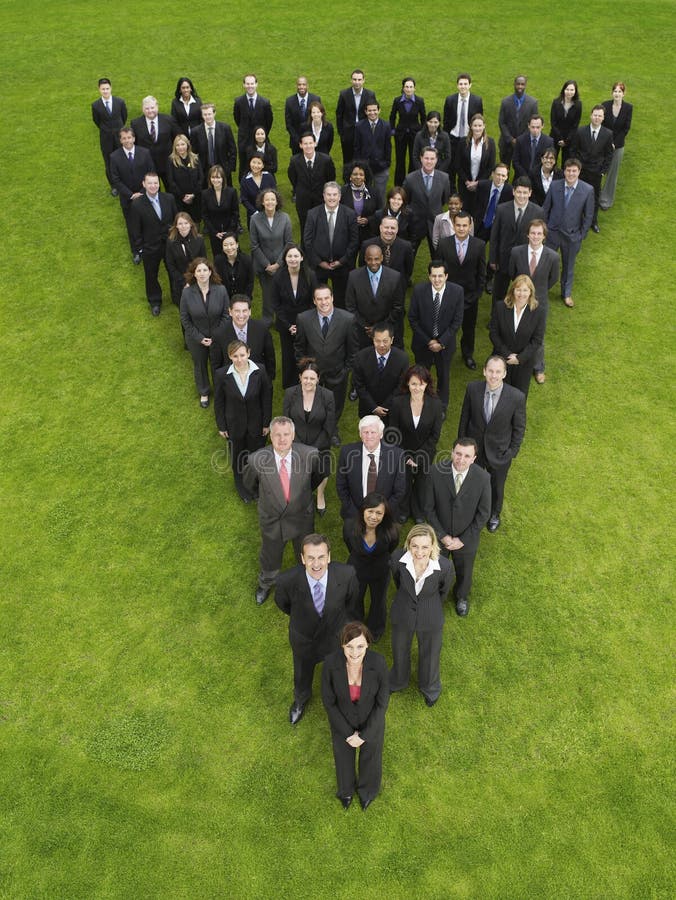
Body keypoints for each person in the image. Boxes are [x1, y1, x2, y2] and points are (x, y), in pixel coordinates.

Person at [276, 533, 359, 724]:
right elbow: (283, 604)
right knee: (302, 673)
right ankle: (300, 700)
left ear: (329, 557)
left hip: (335, 636)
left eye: (321, 557)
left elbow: (351, 604)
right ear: (302, 558)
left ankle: (341, 698)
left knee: (339, 670)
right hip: (304, 639)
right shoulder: (286, 581)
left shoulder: (347, 574)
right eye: (311, 558)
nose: (316, 564)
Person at [243, 417, 321, 604]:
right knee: (270, 555)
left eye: (286, 434)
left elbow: (315, 479)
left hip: (302, 517)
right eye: (277, 434)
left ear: (293, 435)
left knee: (306, 552)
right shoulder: (256, 460)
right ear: (270, 436)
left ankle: (308, 581)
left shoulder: (310, 455)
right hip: (272, 519)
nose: (282, 439)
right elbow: (249, 485)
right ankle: (266, 583)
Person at [321, 621, 390, 810]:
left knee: (371, 757)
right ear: (342, 645)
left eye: (360, 646)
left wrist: (365, 735)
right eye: (349, 646)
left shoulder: (379, 664)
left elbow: (382, 703)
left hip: (371, 721)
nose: (354, 652)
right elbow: (329, 702)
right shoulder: (330, 664)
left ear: (368, 644)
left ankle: (368, 791)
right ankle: (346, 791)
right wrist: (347, 733)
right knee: (343, 757)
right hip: (342, 721)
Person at [458, 355, 526, 534]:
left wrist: (512, 451)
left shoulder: (516, 397)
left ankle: (494, 514)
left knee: (497, 485)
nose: (493, 375)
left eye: (498, 372)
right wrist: (462, 445)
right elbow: (465, 417)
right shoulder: (473, 389)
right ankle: (472, 511)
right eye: (490, 371)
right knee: (473, 482)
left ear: (504, 373)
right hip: (475, 449)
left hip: (500, 451)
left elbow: (519, 428)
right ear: (484, 371)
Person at [425, 438, 491, 616]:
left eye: (467, 456)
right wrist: (443, 536)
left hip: (466, 538)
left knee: (465, 569)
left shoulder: (483, 478)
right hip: (441, 535)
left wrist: (463, 539)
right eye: (458, 453)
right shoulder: (435, 472)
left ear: (474, 458)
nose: (461, 459)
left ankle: (461, 596)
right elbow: (428, 509)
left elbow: (483, 513)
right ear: (452, 452)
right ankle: (435, 595)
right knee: (437, 568)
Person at [389, 524, 452, 705]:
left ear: (432, 545)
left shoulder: (444, 566)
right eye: (415, 546)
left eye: (425, 546)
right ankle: (398, 680)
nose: (419, 552)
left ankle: (430, 688)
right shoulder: (397, 559)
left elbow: (443, 591)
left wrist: (429, 605)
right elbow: (397, 581)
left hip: (430, 613)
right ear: (408, 544)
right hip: (403, 611)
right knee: (400, 649)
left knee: (431, 653)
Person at [294, 285, 355, 439]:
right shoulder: (303, 319)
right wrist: (305, 371)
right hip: (312, 374)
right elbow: (299, 347)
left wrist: (345, 370)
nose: (323, 302)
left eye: (326, 298)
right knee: (312, 403)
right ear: (314, 301)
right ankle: (313, 430)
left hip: (337, 373)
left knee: (335, 405)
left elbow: (353, 349)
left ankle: (331, 431)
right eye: (319, 299)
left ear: (332, 298)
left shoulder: (347, 319)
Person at [215, 340, 272, 503]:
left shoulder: (260, 370)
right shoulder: (221, 375)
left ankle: (258, 487)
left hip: (257, 425)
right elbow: (219, 402)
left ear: (248, 353)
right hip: (234, 426)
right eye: (235, 356)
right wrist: (222, 426)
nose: (239, 359)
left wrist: (266, 423)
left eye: (242, 355)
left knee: (258, 458)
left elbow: (266, 398)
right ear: (229, 356)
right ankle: (243, 490)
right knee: (238, 459)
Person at [388, 365, 444, 524]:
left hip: (425, 452)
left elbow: (435, 435)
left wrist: (419, 456)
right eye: (413, 384)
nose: (417, 388)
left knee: (422, 482)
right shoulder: (398, 403)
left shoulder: (435, 405)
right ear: (407, 384)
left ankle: (418, 511)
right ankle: (404, 510)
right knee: (403, 482)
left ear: (426, 384)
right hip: (402, 451)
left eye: (421, 384)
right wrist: (405, 455)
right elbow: (393, 432)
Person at [408, 260, 464, 413]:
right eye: (434, 276)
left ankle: (442, 407)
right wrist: (428, 341)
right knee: (421, 376)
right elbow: (412, 318)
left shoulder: (457, 292)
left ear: (446, 276)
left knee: (443, 376)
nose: (437, 280)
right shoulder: (419, 291)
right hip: (422, 344)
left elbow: (457, 321)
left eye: (440, 276)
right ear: (429, 276)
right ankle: (421, 402)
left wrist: (441, 342)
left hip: (445, 346)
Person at [509, 219, 559, 383]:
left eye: (539, 233)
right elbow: (512, 274)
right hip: (519, 299)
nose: (536, 236)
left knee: (538, 336)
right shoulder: (516, 252)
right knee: (516, 330)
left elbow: (553, 279)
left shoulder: (552, 256)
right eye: (533, 233)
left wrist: (538, 293)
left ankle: (538, 368)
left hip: (540, 302)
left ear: (544, 236)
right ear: (527, 234)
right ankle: (513, 360)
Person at [342, 496, 399, 642]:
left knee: (378, 601)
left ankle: (375, 630)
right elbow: (350, 545)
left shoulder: (391, 530)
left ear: (384, 514)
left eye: (379, 513)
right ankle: (355, 628)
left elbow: (391, 547)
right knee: (354, 599)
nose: (374, 517)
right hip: (356, 569)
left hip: (380, 570)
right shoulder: (349, 526)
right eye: (370, 511)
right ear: (363, 511)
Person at [283, 358, 335, 516]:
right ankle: (299, 496)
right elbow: (286, 422)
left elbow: (329, 426)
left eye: (312, 378)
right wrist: (297, 445)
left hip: (320, 444)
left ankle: (320, 496)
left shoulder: (327, 396)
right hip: (295, 442)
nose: (308, 381)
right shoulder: (290, 393)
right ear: (300, 377)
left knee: (323, 469)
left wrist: (314, 449)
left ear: (318, 379)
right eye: (305, 377)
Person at [437, 209, 487, 370]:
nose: (461, 228)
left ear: (470, 225)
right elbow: (437, 270)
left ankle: (467, 354)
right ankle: (443, 351)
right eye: (458, 225)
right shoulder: (444, 244)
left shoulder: (479, 245)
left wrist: (477, 294)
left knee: (469, 328)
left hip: (470, 297)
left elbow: (481, 273)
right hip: (448, 296)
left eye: (465, 225)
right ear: (453, 224)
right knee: (445, 326)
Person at [542, 157, 594, 308]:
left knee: (568, 266)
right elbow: (546, 208)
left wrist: (581, 236)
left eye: (574, 171)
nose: (571, 174)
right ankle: (541, 289)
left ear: (579, 172)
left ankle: (566, 293)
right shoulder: (555, 185)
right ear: (564, 171)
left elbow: (589, 215)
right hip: (552, 232)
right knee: (546, 263)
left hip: (572, 236)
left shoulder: (587, 190)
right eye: (568, 170)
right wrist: (544, 230)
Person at [336, 415, 406, 522]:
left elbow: (399, 490)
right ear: (360, 434)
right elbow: (341, 485)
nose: (369, 436)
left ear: (381, 434)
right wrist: (354, 512)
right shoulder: (347, 453)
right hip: (354, 512)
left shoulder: (397, 455)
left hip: (385, 515)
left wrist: (381, 513)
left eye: (373, 432)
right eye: (365, 432)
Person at [180, 258, 230, 407]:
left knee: (219, 364)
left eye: (204, 270)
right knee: (200, 365)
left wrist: (216, 336)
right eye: (198, 270)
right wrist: (200, 338)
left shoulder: (221, 290)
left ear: (210, 272)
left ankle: (221, 390)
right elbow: (184, 318)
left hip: (218, 336)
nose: (202, 273)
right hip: (196, 338)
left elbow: (226, 315)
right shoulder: (187, 293)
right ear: (194, 274)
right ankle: (204, 391)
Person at [488, 176, 544, 305]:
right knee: (499, 292)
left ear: (530, 193)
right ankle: (495, 319)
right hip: (503, 258)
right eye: (519, 192)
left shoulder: (538, 211)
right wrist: (493, 259)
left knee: (523, 292)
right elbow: (495, 235)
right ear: (513, 191)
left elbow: (540, 238)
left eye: (525, 192)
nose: (521, 196)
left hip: (525, 260)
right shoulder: (502, 209)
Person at [303, 181, 359, 308]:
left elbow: (354, 241)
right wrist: (318, 261)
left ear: (339, 196)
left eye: (335, 195)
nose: (332, 198)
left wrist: (342, 261)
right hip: (319, 266)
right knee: (317, 297)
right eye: (329, 194)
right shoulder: (313, 214)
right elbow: (307, 241)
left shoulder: (349, 214)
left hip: (342, 265)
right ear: (323, 196)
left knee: (341, 298)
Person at [489, 274, 545, 399]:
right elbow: (493, 333)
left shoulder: (539, 312)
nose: (521, 294)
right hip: (502, 360)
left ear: (530, 292)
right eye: (518, 289)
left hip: (524, 363)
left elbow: (537, 340)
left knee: (519, 398)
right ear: (512, 290)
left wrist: (519, 358)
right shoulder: (500, 307)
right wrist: (507, 354)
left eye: (525, 290)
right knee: (499, 396)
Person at [129, 172, 178, 315]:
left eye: (155, 183)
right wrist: (141, 249)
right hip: (150, 247)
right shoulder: (137, 205)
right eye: (149, 183)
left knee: (173, 270)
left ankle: (176, 296)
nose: (153, 186)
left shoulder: (168, 198)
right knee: (151, 275)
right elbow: (135, 229)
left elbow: (176, 220)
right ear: (143, 184)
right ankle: (155, 301)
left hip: (169, 244)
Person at [272, 243, 318, 388]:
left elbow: (314, 301)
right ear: (285, 259)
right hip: (285, 322)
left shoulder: (310, 275)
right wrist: (288, 326)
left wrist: (301, 324)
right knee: (287, 354)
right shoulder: (278, 277)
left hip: (306, 321)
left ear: (302, 257)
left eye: (296, 256)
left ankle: (305, 379)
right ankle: (290, 384)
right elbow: (276, 304)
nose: (293, 259)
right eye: (289, 256)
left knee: (305, 352)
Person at [345, 247, 405, 351]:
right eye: (370, 259)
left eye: (376, 259)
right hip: (362, 332)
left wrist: (379, 327)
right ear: (365, 259)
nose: (373, 263)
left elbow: (398, 306)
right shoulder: (353, 277)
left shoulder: (394, 277)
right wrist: (365, 326)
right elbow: (350, 306)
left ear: (382, 258)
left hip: (386, 329)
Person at [248, 188, 293, 325]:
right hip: (264, 266)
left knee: (283, 294)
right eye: (267, 199)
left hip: (281, 264)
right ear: (262, 202)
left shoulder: (285, 218)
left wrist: (278, 264)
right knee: (267, 295)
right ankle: (267, 320)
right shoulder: (255, 219)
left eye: (272, 199)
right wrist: (267, 265)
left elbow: (289, 243)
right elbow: (254, 245)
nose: (270, 202)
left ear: (277, 201)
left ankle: (282, 320)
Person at [109, 127, 154, 258]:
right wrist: (130, 195)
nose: (127, 140)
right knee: (131, 225)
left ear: (134, 138)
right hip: (127, 198)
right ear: (120, 140)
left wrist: (142, 192)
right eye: (124, 138)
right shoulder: (114, 157)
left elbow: (151, 172)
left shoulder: (145, 153)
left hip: (146, 194)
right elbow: (115, 179)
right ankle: (136, 250)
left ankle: (150, 246)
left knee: (148, 222)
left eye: (129, 137)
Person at [350, 323, 409, 422]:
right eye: (377, 341)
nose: (381, 345)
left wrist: (385, 407)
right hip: (367, 409)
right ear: (373, 340)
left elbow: (401, 386)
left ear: (392, 340)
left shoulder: (402, 359)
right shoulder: (361, 357)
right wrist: (373, 407)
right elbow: (359, 385)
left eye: (385, 341)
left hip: (392, 410)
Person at [570, 106, 614, 232]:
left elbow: (609, 154)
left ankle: (593, 221)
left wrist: (603, 171)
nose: (597, 118)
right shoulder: (580, 131)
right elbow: (573, 150)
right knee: (578, 196)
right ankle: (577, 220)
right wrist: (575, 168)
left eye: (600, 116)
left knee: (594, 197)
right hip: (581, 171)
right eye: (595, 115)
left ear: (603, 118)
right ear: (591, 115)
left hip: (596, 172)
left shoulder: (607, 134)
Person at [403, 146, 451, 256]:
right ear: (421, 158)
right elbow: (406, 201)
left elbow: (444, 199)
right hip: (415, 224)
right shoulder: (410, 179)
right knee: (409, 256)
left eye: (432, 158)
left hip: (435, 223)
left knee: (437, 257)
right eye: (426, 158)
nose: (429, 161)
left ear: (437, 160)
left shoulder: (444, 178)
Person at [287, 132, 336, 235]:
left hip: (321, 199)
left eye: (310, 143)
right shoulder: (294, 161)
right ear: (300, 145)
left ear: (315, 143)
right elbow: (293, 178)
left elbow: (331, 178)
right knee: (305, 228)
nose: (308, 146)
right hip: (303, 200)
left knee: (322, 228)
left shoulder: (325, 160)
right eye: (305, 143)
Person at [219, 294, 276, 381]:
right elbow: (217, 365)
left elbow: (270, 357)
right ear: (230, 312)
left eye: (244, 311)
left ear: (250, 311)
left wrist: (268, 379)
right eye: (237, 311)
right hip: (231, 382)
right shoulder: (219, 334)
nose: (241, 315)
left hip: (258, 379)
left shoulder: (262, 329)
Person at [443, 73, 483, 190]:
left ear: (470, 85)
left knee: (465, 164)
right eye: (461, 84)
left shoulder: (476, 100)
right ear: (457, 86)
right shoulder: (450, 100)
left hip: (468, 138)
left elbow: (479, 120)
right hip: (453, 137)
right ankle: (451, 189)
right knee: (451, 165)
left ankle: (464, 188)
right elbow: (446, 120)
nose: (463, 86)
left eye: (465, 84)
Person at [599, 82, 633, 211]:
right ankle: (594, 196)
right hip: (603, 144)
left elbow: (626, 129)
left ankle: (605, 200)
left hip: (618, 146)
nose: (617, 94)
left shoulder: (628, 108)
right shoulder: (605, 105)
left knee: (612, 173)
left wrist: (614, 143)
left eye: (620, 91)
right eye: (615, 91)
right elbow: (600, 123)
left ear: (624, 94)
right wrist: (608, 142)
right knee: (599, 169)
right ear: (612, 92)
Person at [360, 215, 414, 294]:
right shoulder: (367, 245)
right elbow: (362, 266)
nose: (389, 231)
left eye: (392, 228)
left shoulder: (406, 246)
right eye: (386, 227)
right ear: (380, 228)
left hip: (396, 289)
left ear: (397, 229)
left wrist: (402, 285)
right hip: (373, 288)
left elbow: (408, 270)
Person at [130, 96, 176, 187]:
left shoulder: (168, 120)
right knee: (152, 189)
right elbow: (134, 144)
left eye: (152, 107)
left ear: (157, 107)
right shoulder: (135, 124)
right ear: (143, 109)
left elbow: (176, 138)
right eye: (147, 108)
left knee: (171, 188)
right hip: (147, 164)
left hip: (167, 162)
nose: (150, 111)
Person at [233, 74, 273, 176]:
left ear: (256, 84)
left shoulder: (265, 103)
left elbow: (269, 122)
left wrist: (261, 135)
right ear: (244, 85)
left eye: (252, 83)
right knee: (244, 165)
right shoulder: (238, 102)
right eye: (247, 84)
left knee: (262, 163)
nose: (250, 86)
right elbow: (237, 119)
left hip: (260, 139)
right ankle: (244, 187)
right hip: (244, 139)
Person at [91, 78, 127, 193]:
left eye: (107, 89)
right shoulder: (96, 105)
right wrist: (106, 130)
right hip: (106, 138)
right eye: (103, 89)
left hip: (120, 137)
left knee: (123, 158)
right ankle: (114, 186)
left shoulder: (119, 102)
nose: (105, 91)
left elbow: (124, 117)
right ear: (99, 90)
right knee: (109, 162)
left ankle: (126, 181)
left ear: (111, 88)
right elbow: (96, 121)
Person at [455, 114, 496, 214]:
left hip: (481, 184)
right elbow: (457, 164)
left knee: (478, 211)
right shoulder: (463, 142)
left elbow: (490, 166)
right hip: (465, 184)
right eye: (475, 125)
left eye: (480, 125)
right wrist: (467, 182)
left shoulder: (490, 143)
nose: (477, 128)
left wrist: (478, 183)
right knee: (463, 211)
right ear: (471, 126)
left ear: (484, 126)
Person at [354, 101, 391, 208]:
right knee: (365, 195)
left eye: (374, 110)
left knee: (380, 195)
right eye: (369, 110)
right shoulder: (359, 126)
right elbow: (357, 147)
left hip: (381, 167)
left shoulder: (385, 125)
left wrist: (386, 163)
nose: (372, 113)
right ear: (365, 112)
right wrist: (359, 165)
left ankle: (381, 218)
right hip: (365, 168)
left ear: (379, 110)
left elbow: (388, 146)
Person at [335, 69, 377, 166]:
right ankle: (347, 179)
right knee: (348, 159)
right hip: (348, 133)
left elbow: (373, 112)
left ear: (363, 80)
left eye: (359, 79)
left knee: (364, 158)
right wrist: (341, 132)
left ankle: (363, 179)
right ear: (351, 80)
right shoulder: (344, 94)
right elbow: (339, 114)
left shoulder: (370, 94)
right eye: (354, 79)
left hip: (365, 131)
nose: (357, 82)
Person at [389, 78, 426, 186]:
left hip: (415, 134)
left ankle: (411, 184)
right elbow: (392, 116)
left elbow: (423, 117)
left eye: (411, 87)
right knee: (400, 160)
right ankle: (399, 185)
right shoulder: (397, 100)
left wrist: (423, 132)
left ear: (414, 88)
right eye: (406, 87)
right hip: (400, 134)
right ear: (403, 88)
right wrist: (392, 130)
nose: (409, 89)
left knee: (413, 159)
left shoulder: (419, 101)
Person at [165, 212, 207, 306]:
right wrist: (184, 282)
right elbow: (170, 264)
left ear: (191, 224)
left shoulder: (199, 240)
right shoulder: (171, 242)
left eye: (186, 223)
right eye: (180, 224)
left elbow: (204, 261)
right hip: (180, 282)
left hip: (199, 280)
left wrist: (195, 280)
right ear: (176, 226)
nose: (183, 226)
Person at [497, 75, 539, 168]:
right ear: (514, 84)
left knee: (520, 169)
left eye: (522, 84)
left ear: (525, 85)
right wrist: (510, 139)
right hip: (506, 142)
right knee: (504, 168)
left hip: (524, 143)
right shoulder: (505, 102)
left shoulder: (533, 103)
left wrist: (520, 139)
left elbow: (534, 123)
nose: (520, 86)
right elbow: (502, 122)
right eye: (518, 84)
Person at [191, 103, 237, 187]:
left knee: (225, 194)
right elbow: (193, 153)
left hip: (223, 169)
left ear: (214, 113)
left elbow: (232, 149)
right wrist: (197, 170)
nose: (207, 117)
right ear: (202, 115)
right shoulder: (195, 132)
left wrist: (229, 168)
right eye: (205, 114)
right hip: (204, 171)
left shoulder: (225, 128)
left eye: (209, 114)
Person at [201, 165, 239, 258]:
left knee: (233, 255)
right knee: (218, 257)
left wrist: (229, 232)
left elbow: (235, 213)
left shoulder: (231, 192)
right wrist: (214, 232)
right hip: (215, 233)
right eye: (213, 177)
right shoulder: (205, 194)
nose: (215, 180)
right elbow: (205, 215)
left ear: (223, 178)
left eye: (218, 177)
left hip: (230, 230)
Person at [473, 163, 513, 243]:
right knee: (477, 246)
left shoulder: (510, 192)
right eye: (498, 174)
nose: (500, 178)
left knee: (496, 251)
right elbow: (476, 203)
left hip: (498, 226)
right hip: (482, 223)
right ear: (492, 174)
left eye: (503, 175)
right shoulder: (482, 186)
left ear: (507, 177)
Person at [166, 134, 203, 220]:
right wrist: (183, 196)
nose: (180, 147)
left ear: (187, 145)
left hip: (195, 195)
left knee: (195, 218)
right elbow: (171, 181)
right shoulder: (171, 160)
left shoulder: (195, 158)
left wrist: (193, 194)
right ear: (174, 147)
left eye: (183, 144)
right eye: (177, 145)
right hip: (179, 198)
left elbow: (201, 178)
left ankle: (195, 232)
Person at [340, 164, 378, 246]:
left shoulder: (373, 192)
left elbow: (379, 212)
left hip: (368, 233)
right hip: (348, 233)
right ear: (350, 176)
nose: (358, 177)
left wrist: (368, 220)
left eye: (361, 174)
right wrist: (351, 220)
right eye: (355, 174)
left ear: (365, 177)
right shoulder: (342, 192)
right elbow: (338, 211)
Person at [549, 80, 582, 167]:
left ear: (575, 91)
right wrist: (560, 138)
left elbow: (575, 125)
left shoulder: (578, 105)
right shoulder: (556, 102)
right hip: (555, 136)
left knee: (567, 162)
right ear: (563, 90)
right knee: (551, 160)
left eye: (572, 90)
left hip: (569, 139)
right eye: (567, 89)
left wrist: (567, 140)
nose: (569, 92)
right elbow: (553, 122)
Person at [511, 114, 554, 180]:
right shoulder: (520, 140)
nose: (535, 130)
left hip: (540, 177)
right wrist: (525, 176)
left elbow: (550, 162)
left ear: (542, 126)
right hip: (521, 176)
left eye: (538, 127)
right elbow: (515, 161)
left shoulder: (548, 142)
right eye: (533, 127)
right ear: (528, 126)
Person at [284, 76, 321, 152]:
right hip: (296, 142)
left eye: (304, 84)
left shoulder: (316, 99)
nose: (301, 87)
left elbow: (318, 120)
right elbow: (289, 124)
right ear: (296, 86)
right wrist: (298, 140)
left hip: (312, 142)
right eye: (299, 84)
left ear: (307, 85)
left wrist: (311, 139)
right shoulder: (289, 101)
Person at [214, 232, 254, 301]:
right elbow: (216, 281)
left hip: (243, 298)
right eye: (225, 245)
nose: (229, 248)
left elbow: (250, 282)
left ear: (237, 245)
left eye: (231, 244)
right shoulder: (218, 261)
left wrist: (245, 299)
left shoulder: (247, 260)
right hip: (224, 299)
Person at [239, 153, 276, 228]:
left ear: (263, 165)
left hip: (270, 213)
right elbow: (244, 199)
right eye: (254, 162)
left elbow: (274, 194)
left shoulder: (269, 177)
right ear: (250, 163)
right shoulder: (245, 180)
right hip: (253, 216)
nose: (255, 166)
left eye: (259, 163)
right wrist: (255, 212)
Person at [412, 110, 452, 175]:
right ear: (426, 122)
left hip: (439, 170)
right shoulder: (419, 136)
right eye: (430, 122)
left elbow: (448, 157)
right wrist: (422, 171)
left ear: (439, 123)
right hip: (422, 170)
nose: (433, 125)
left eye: (435, 122)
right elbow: (415, 156)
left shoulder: (445, 136)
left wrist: (438, 172)